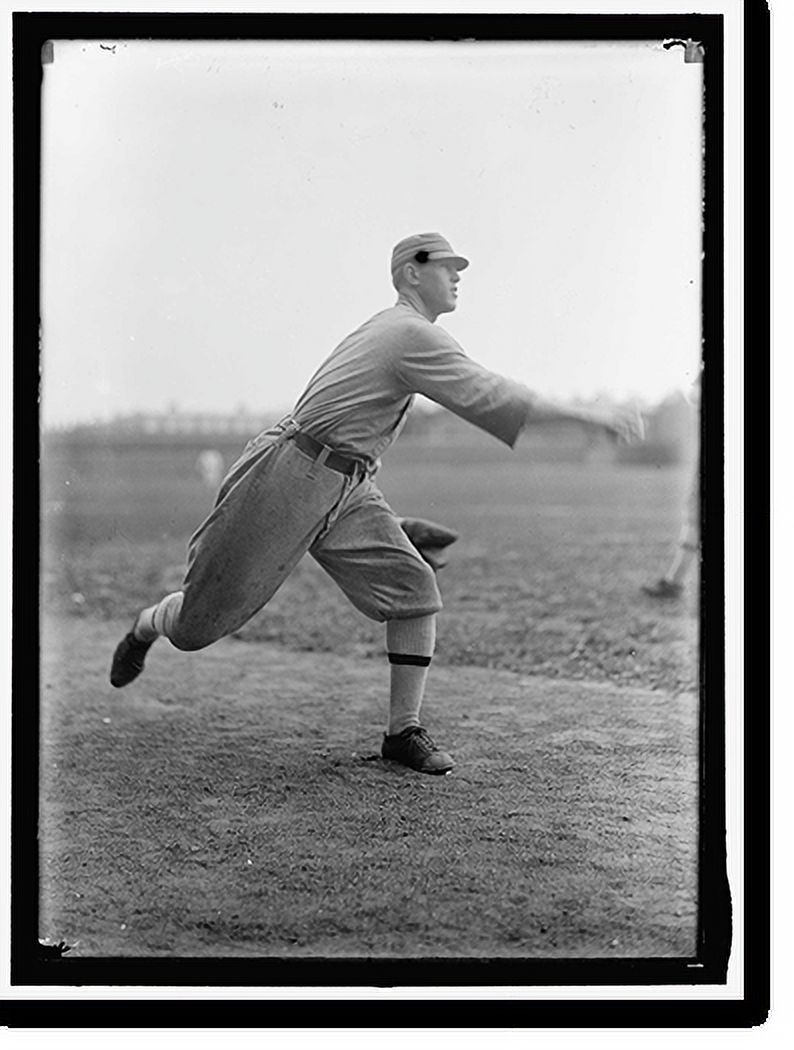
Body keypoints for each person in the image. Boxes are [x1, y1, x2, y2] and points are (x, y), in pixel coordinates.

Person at [110, 232, 644, 774]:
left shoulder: (402, 333)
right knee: (197, 628)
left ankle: (402, 732)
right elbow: (491, 393)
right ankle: (146, 624)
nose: (457, 275)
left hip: (345, 483)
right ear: (411, 273)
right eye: (445, 266)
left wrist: (383, 525)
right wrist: (588, 416)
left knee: (415, 588)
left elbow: (363, 428)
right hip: (288, 474)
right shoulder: (407, 332)